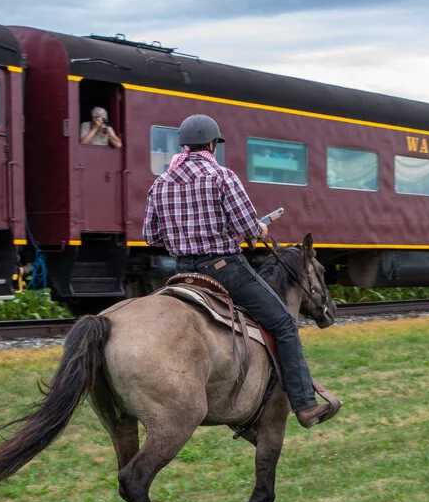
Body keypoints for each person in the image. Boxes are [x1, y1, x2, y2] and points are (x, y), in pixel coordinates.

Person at [142, 113, 340, 428]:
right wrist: (258, 229)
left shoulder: (161, 182)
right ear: (211, 144)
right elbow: (249, 227)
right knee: (285, 325)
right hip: (224, 270)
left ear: (184, 146)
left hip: (182, 274)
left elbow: (151, 236)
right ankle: (304, 405)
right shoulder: (222, 176)